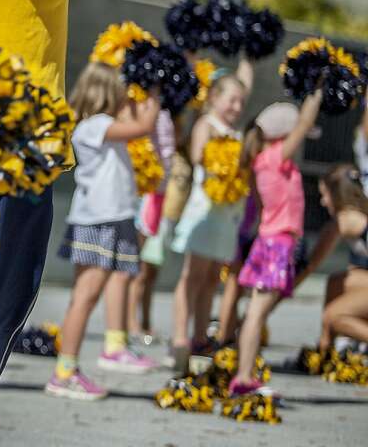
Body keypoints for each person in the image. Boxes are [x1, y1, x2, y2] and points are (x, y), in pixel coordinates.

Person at [45, 63, 161, 400]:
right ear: (108, 94)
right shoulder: (95, 125)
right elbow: (143, 126)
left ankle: (70, 367)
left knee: (91, 292)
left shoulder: (99, 125)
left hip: (108, 217)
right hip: (99, 220)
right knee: (86, 294)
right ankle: (64, 372)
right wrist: (153, 92)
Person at [228, 94, 323, 396]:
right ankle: (243, 377)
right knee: (256, 314)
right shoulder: (275, 158)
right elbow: (306, 121)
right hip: (277, 245)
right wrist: (317, 92)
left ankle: (245, 372)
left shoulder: (263, 161)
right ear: (284, 134)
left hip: (270, 242)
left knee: (256, 313)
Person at [168, 59, 253, 371]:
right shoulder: (207, 124)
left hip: (226, 217)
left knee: (210, 280)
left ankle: (200, 336)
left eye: (241, 102)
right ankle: (179, 337)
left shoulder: (236, 131)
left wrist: (247, 60)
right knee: (191, 276)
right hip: (204, 211)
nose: (236, 106)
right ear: (214, 98)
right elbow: (197, 156)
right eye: (231, 99)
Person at [128, 109, 177, 344]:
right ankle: (131, 324)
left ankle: (144, 321)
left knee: (150, 271)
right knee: (138, 269)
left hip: (160, 197)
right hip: (147, 193)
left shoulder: (168, 113)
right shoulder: (146, 108)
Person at [315, 165, 368, 351]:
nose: (323, 202)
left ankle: (331, 344)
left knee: (333, 316)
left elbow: (311, 264)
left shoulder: (344, 220)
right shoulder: (360, 214)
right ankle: (325, 348)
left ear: (337, 195)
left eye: (325, 195)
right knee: (336, 282)